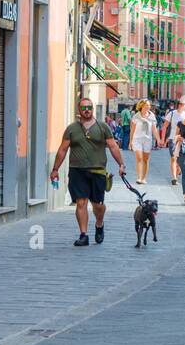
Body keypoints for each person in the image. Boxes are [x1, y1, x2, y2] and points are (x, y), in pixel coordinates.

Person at [50, 97, 128, 247]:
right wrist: (55, 169)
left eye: (89, 107)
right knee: (81, 202)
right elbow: (62, 149)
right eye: (84, 108)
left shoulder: (103, 127)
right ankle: (83, 235)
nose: (87, 110)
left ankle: (99, 223)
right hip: (77, 171)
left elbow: (113, 147)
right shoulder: (71, 129)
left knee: (98, 205)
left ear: (92, 109)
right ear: (79, 110)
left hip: (98, 171)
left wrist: (121, 164)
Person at [130, 99, 158, 183]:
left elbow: (154, 129)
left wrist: (159, 139)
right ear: (142, 106)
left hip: (147, 139)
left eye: (149, 105)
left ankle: (143, 178)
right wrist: (130, 141)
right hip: (137, 139)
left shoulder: (152, 116)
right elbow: (132, 130)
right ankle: (139, 177)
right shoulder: (136, 116)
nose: (148, 107)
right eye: (147, 105)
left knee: (145, 160)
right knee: (139, 158)